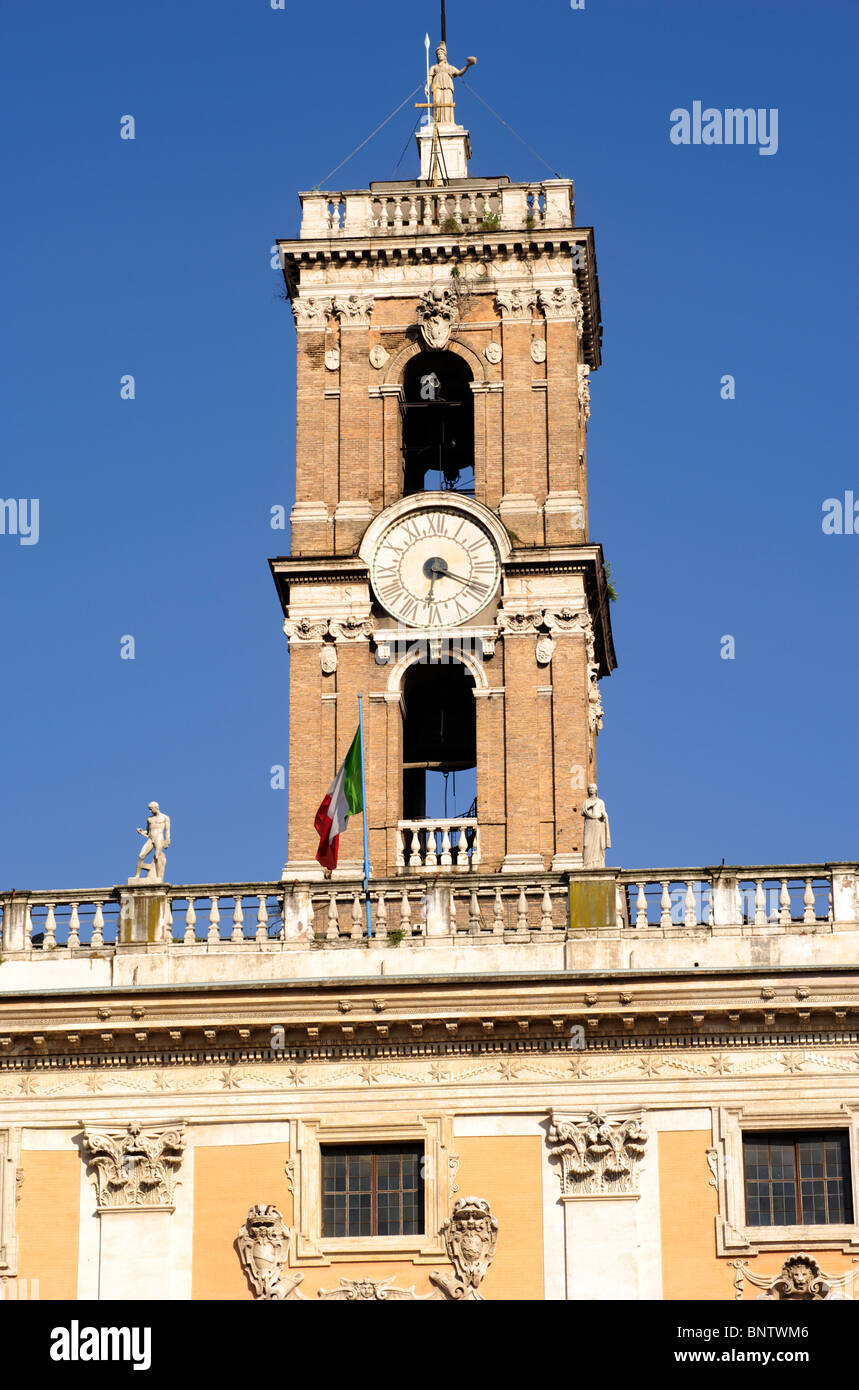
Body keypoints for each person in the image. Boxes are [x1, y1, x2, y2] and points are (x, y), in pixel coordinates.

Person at [428, 43, 476, 125]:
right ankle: (436, 120)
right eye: (438, 54)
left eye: (441, 54)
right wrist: (426, 87)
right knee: (437, 101)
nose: (440, 55)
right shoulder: (433, 67)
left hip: (447, 85)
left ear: (445, 56)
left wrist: (467, 65)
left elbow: (459, 73)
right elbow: (429, 78)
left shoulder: (449, 67)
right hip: (437, 85)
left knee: (447, 100)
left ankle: (447, 120)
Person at [135, 801, 171, 881]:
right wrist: (141, 831)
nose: (150, 811)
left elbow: (167, 830)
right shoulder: (149, 819)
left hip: (159, 837)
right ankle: (137, 875)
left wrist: (167, 840)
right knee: (141, 855)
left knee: (157, 857)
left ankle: (158, 878)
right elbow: (148, 831)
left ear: (156, 807)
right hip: (150, 838)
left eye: (151, 809)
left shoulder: (165, 817)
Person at [580, 783, 610, 868]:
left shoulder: (600, 802)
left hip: (598, 824)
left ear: (596, 790)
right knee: (586, 844)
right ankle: (587, 863)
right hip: (589, 824)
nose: (591, 789)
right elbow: (582, 812)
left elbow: (604, 813)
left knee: (598, 844)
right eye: (590, 788)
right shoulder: (586, 802)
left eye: (593, 788)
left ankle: (598, 863)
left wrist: (604, 815)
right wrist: (589, 807)